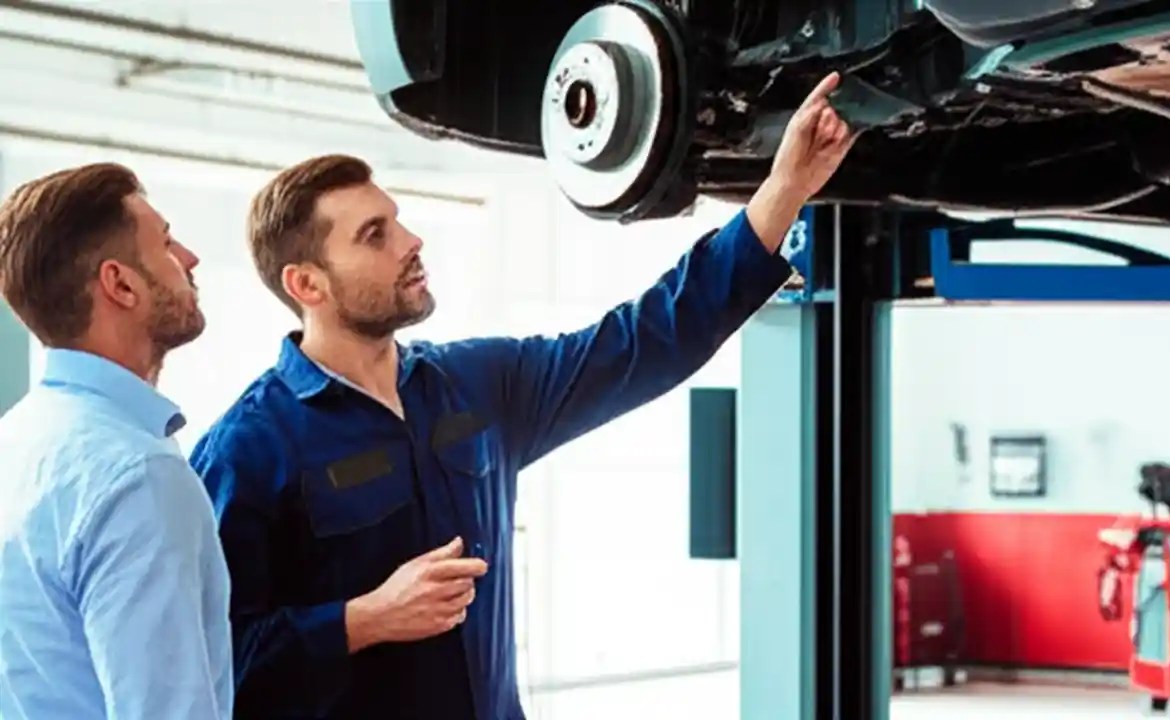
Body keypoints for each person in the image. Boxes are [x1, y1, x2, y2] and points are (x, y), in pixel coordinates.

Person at [190, 72, 856, 719]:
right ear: (307, 284)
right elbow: (208, 666)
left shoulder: (477, 386)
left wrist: (784, 188)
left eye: (397, 221)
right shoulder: (246, 451)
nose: (411, 241)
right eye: (375, 235)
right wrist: (361, 621)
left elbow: (646, 341)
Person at [0, 163, 232, 719]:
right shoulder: (137, 475)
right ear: (120, 283)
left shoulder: (18, 439)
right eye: (168, 243)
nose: (190, 259)